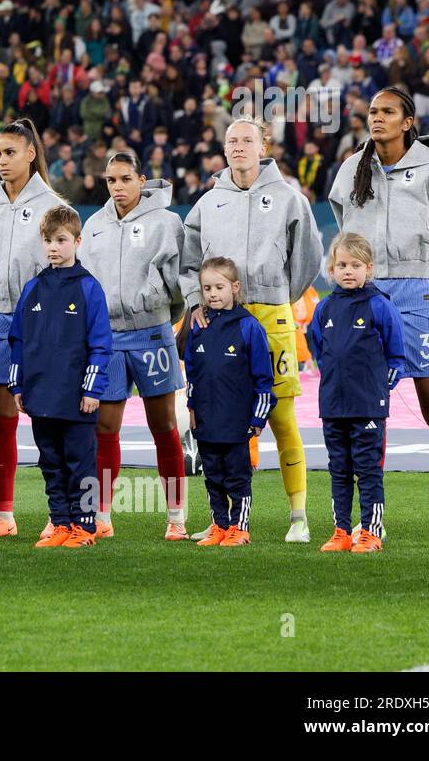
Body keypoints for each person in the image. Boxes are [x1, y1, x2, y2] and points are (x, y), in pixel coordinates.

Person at [328, 83, 429, 549]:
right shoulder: (352, 170)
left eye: (388, 112)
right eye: (373, 111)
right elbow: (344, 232)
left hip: (418, 297)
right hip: (369, 298)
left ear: (408, 121)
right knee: (372, 412)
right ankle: (372, 522)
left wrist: (422, 275)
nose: (377, 118)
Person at [181, 119, 323, 543]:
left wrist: (279, 295)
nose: (239, 147)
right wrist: (195, 303)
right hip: (217, 320)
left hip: (270, 315)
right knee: (219, 417)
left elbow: (308, 258)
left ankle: (298, 516)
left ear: (264, 145)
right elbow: (189, 262)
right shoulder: (208, 203)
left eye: (247, 140)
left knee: (279, 416)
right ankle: (226, 520)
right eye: (231, 141)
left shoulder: (289, 199)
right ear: (223, 149)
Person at [79, 149, 188, 540]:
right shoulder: (93, 226)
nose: (118, 187)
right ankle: (102, 516)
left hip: (152, 334)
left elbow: (179, 286)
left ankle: (176, 518)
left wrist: (155, 308)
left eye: (125, 178)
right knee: (105, 428)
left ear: (142, 181)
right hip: (107, 339)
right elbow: (87, 285)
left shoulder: (168, 222)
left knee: (164, 425)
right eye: (111, 180)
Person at [0, 120, 66, 538]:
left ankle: (58, 513)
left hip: (41, 321)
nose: (2, 161)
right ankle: (4, 515)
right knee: (1, 419)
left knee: (48, 418)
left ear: (30, 153)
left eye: (10, 152)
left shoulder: (55, 207)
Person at [10, 206, 113, 548]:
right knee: (50, 463)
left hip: (77, 398)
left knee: (80, 463)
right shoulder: (32, 288)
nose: (53, 247)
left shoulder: (89, 289)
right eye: (48, 240)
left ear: (77, 241)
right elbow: (17, 340)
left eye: (61, 240)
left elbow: (101, 344)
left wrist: (92, 389)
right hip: (40, 395)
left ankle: (84, 528)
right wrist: (17, 384)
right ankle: (59, 523)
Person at [307, 232, 405, 554]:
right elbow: (320, 348)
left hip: (368, 405)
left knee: (366, 468)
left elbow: (396, 355)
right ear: (332, 270)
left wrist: (378, 387)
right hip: (333, 404)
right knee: (338, 468)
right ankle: (341, 530)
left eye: (355, 265)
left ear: (369, 268)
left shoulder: (380, 306)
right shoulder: (324, 309)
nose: (348, 271)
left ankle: (371, 531)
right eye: (342, 265)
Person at [184, 258, 275, 548]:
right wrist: (192, 407)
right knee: (212, 476)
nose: (213, 293)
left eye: (219, 287)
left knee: (237, 477)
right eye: (207, 288)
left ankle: (240, 527)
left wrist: (258, 419)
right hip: (207, 418)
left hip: (237, 420)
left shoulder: (249, 327)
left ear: (235, 287)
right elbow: (193, 372)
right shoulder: (199, 326)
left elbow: (264, 379)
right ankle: (220, 525)